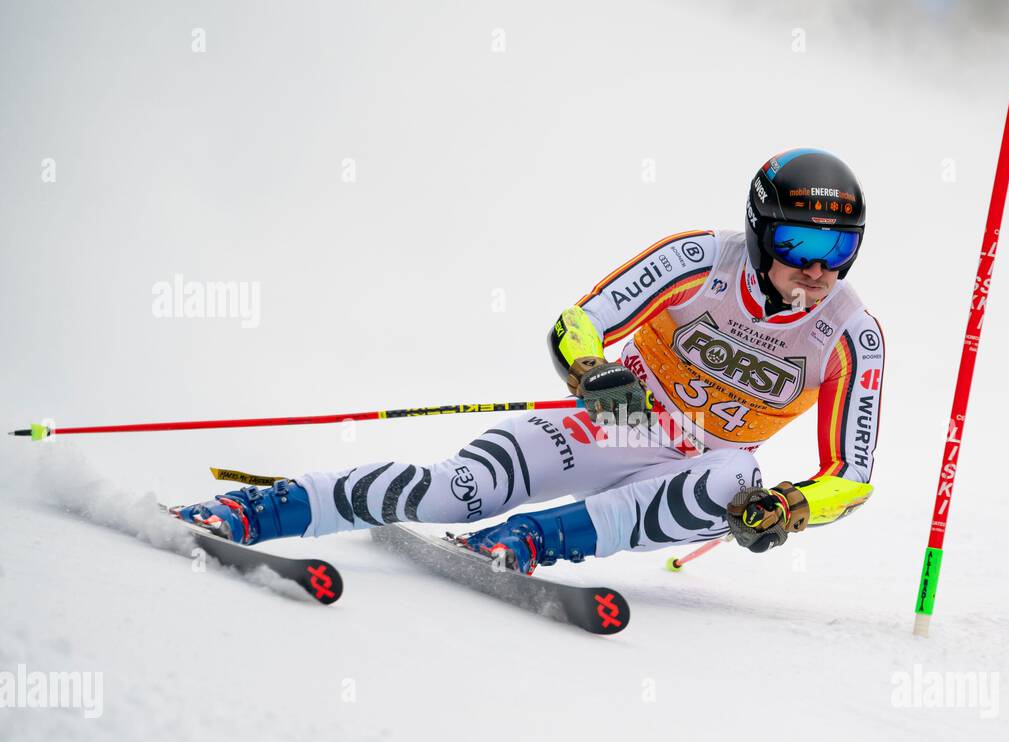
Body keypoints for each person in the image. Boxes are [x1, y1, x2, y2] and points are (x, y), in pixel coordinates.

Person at [179, 148, 886, 574]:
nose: (818, 269)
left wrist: (790, 507)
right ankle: (258, 511)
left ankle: (531, 542)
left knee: (734, 481)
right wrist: (591, 372)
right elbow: (579, 322)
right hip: (627, 423)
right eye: (799, 243)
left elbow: (852, 478)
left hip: (708, 462)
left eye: (838, 248)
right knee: (459, 486)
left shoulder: (853, 334)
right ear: (761, 231)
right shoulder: (701, 259)